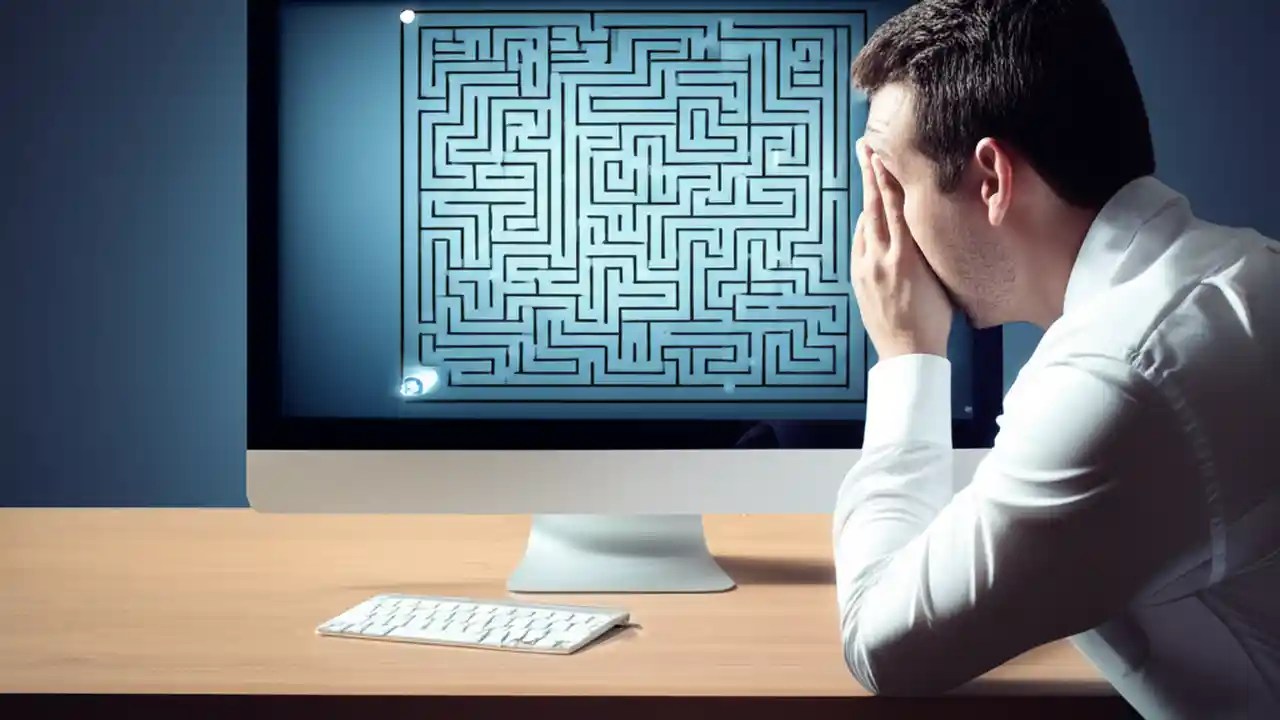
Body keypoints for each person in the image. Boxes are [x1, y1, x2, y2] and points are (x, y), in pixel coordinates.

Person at [834, 1, 1280, 718]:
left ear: (991, 180)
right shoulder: (1230, 277)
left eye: (889, 185)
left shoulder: (1126, 377)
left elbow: (881, 644)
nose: (879, 231)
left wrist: (906, 356)